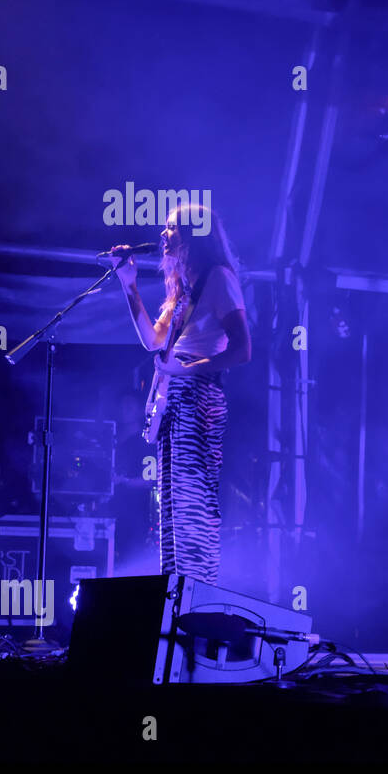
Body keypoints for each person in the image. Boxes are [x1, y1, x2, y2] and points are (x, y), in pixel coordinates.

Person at [112, 204, 250, 583]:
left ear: (194, 235)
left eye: (172, 228)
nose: (163, 235)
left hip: (197, 397)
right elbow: (151, 340)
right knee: (172, 510)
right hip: (174, 400)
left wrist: (188, 369)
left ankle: (197, 598)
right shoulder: (183, 289)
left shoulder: (219, 278)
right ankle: (176, 598)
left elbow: (242, 349)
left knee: (192, 507)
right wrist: (129, 284)